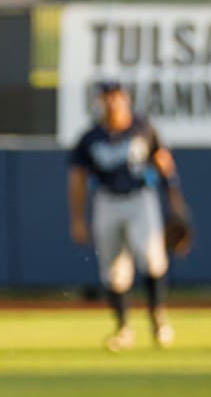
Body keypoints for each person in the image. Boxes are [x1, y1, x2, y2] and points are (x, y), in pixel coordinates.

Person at [67, 81, 185, 352]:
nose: (112, 102)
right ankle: (122, 329)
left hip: (140, 198)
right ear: (100, 101)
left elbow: (163, 162)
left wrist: (176, 201)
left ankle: (158, 317)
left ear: (126, 99)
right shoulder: (90, 138)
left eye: (117, 97)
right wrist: (77, 219)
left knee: (151, 259)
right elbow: (77, 180)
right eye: (107, 97)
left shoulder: (142, 128)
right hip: (107, 200)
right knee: (113, 270)